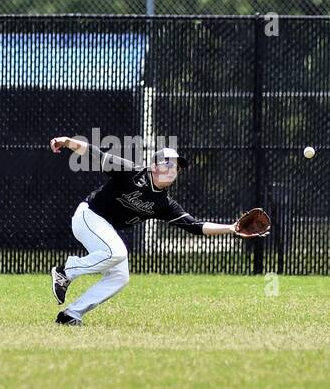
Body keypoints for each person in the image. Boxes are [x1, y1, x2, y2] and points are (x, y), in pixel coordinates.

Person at [47, 136, 250, 325]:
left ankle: (71, 315)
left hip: (104, 227)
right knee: (117, 253)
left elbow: (195, 226)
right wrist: (67, 142)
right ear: (154, 165)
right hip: (88, 216)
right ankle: (66, 271)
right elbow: (94, 153)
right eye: (168, 163)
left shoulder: (164, 204)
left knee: (120, 276)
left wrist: (232, 228)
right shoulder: (130, 172)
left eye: (177, 168)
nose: (173, 170)